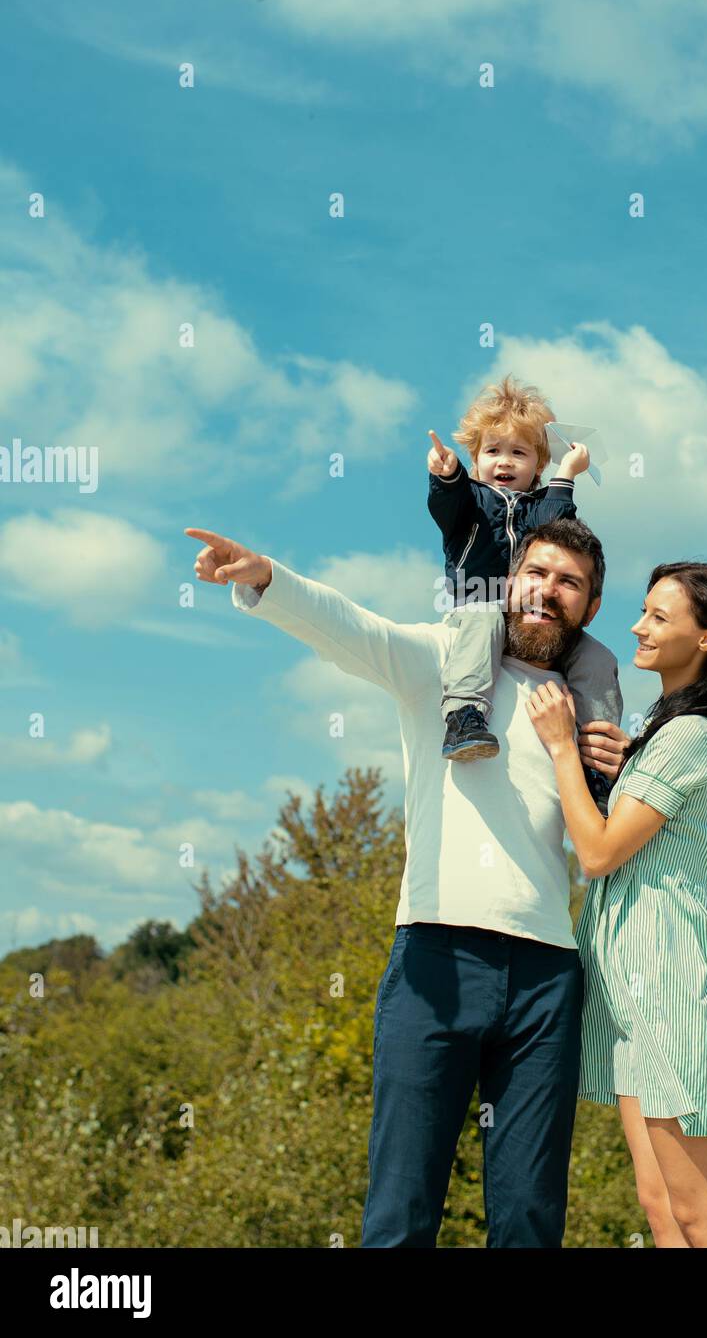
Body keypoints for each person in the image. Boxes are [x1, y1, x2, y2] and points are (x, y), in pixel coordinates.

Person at [184, 517, 628, 1248]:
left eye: (569, 583)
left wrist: (617, 762)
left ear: (590, 606)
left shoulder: (592, 712)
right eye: (537, 574)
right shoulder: (444, 663)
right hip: (436, 956)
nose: (548, 592)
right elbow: (352, 629)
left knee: (529, 1215)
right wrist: (266, 576)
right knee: (402, 1204)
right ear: (510, 581)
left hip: (549, 970)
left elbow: (611, 840)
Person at [526, 561, 707, 1248]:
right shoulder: (664, 734)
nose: (637, 625)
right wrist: (626, 765)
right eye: (643, 611)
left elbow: (597, 853)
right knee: (659, 1204)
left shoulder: (690, 735)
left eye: (660, 617)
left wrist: (560, 751)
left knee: (699, 1210)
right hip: (631, 985)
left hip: (671, 982)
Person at [428, 374, 622, 813]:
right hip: (479, 604)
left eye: (519, 452)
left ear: (537, 465)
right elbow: (447, 504)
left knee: (598, 657)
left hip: (534, 619)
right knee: (484, 618)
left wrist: (566, 473)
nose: (504, 462)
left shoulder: (540, 507)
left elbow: (558, 525)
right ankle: (464, 717)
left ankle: (596, 765)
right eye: (492, 451)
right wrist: (446, 475)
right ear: (475, 460)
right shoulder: (471, 501)